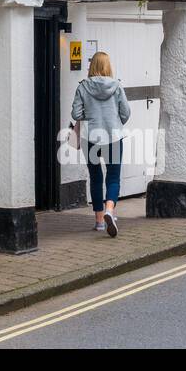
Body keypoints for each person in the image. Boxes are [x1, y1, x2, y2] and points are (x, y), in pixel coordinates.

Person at [71, 51, 131, 236]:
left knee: (95, 177)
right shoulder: (117, 86)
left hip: (90, 138)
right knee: (113, 176)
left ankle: (99, 221)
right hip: (113, 137)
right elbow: (126, 112)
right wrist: (114, 120)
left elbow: (76, 114)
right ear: (108, 66)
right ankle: (109, 211)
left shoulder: (82, 87)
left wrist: (90, 115)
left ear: (92, 66)